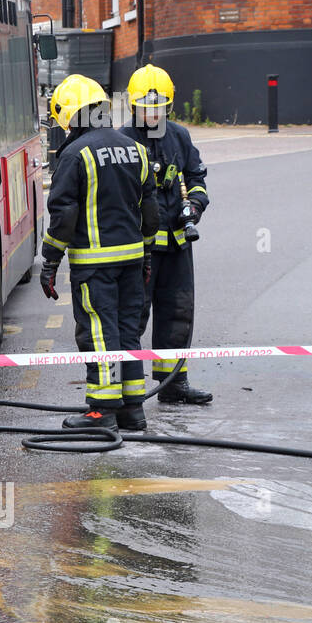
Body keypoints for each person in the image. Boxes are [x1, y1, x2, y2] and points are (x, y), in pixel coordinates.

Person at [40, 75, 160, 431]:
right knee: (127, 331)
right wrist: (148, 254)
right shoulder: (135, 149)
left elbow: (63, 215)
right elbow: (150, 211)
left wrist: (50, 262)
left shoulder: (75, 155)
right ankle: (132, 409)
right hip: (133, 260)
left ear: (70, 115)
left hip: (96, 265)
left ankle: (102, 410)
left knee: (98, 331)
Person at [120, 64, 212, 404]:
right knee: (133, 316)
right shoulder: (123, 140)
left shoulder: (179, 136)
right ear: (133, 106)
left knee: (177, 313)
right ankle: (126, 389)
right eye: (146, 107)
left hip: (177, 245)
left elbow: (197, 177)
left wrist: (196, 206)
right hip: (138, 250)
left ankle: (172, 385)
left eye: (159, 108)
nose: (153, 114)